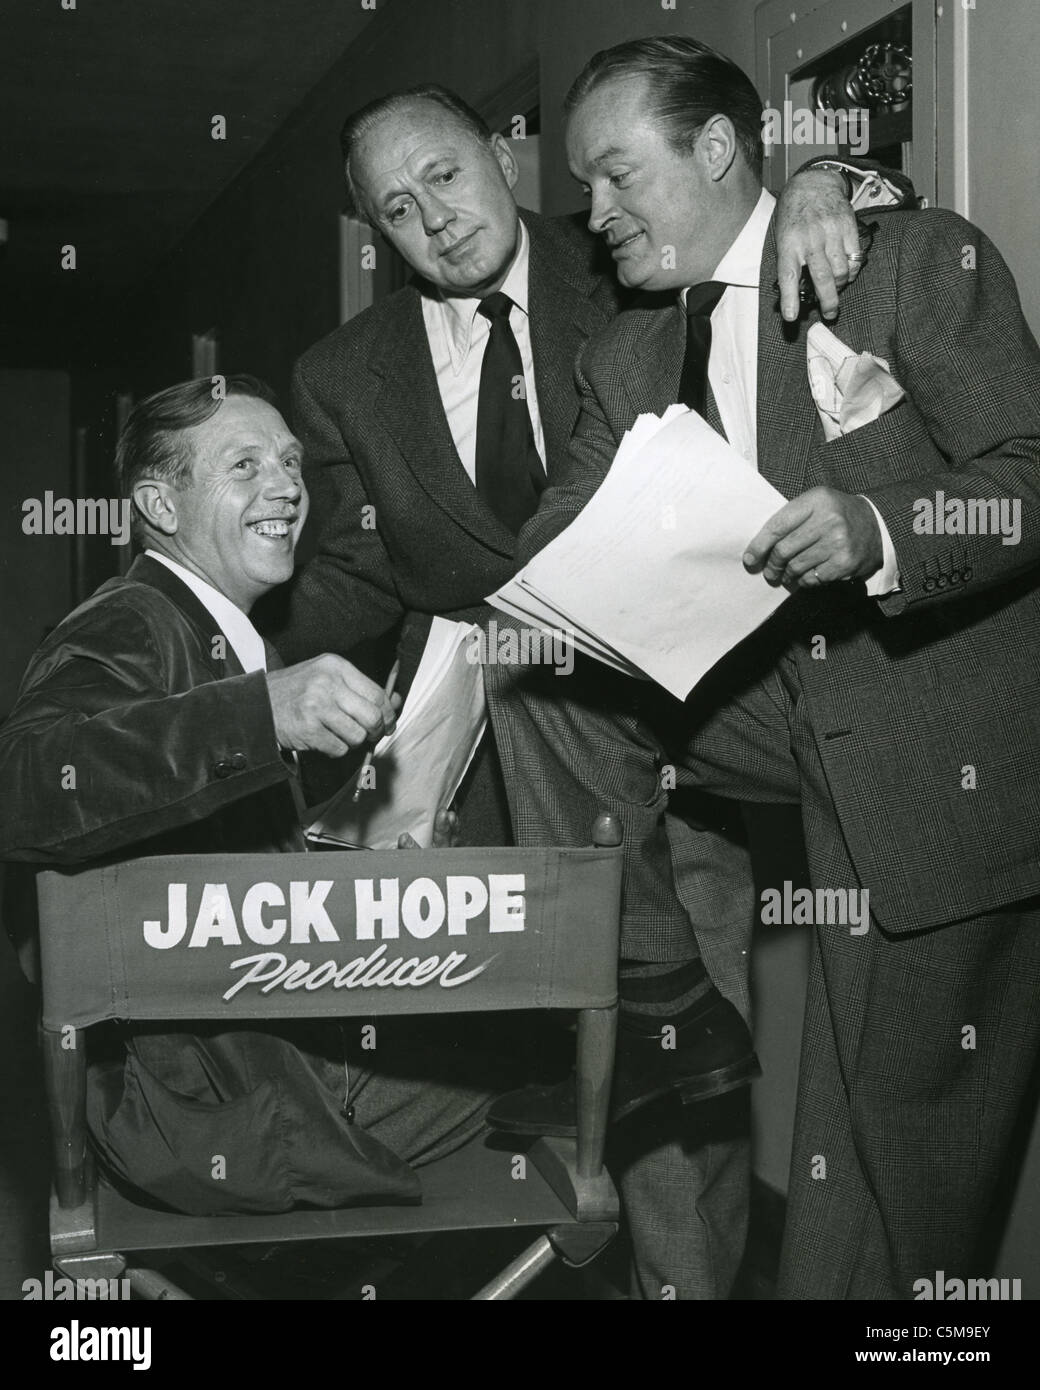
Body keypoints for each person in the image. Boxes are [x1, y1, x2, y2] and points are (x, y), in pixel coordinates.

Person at [260, 80, 913, 1298]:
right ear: (375, 236)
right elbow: (349, 572)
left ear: (503, 156)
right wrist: (223, 663)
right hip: (470, 781)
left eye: (447, 177)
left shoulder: (623, 248)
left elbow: (763, 209)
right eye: (397, 211)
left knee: (672, 1079)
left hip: (666, 735)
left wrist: (834, 181)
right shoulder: (342, 372)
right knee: (483, 1091)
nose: (437, 222)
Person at [482, 34, 1040, 1300]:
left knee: (880, 1181)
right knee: (527, 668)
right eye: (586, 190)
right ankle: (658, 1000)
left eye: (617, 177)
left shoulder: (899, 262)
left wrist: (881, 528)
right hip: (768, 718)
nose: (596, 217)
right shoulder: (621, 355)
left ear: (721, 150)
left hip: (930, 737)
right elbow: (549, 534)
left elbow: (1027, 477)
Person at [0, 376, 509, 1218]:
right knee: (575, 1061)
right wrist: (259, 711)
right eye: (245, 465)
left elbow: (198, 850)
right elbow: (26, 787)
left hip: (239, 1062)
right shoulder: (132, 619)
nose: (286, 488)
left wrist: (372, 840)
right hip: (203, 1100)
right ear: (161, 505)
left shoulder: (228, 636)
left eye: (290, 463)